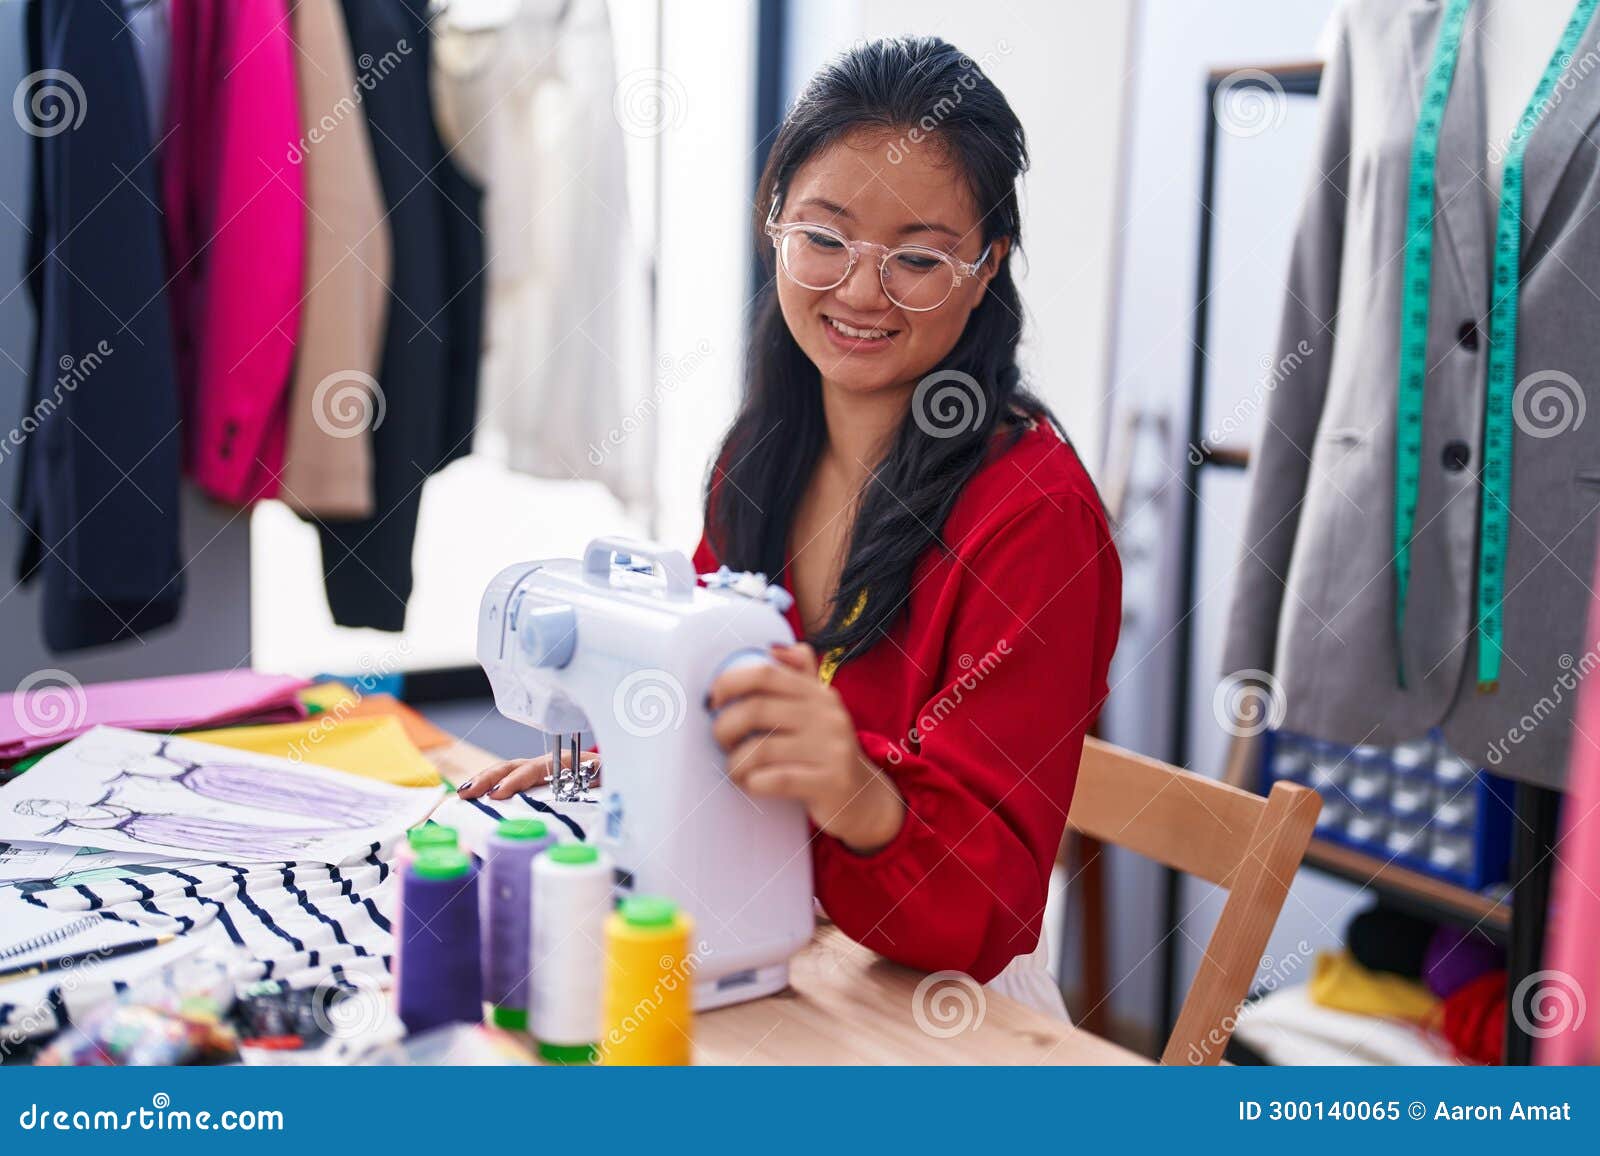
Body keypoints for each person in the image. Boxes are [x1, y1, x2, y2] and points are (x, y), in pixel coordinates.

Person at [459, 36, 1121, 1016]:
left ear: (986, 269)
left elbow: (983, 913)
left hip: (932, 1004)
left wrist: (852, 790)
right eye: (824, 237)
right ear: (774, 228)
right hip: (763, 944)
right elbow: (693, 701)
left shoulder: (1036, 519)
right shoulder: (758, 458)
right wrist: (614, 753)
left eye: (918, 257)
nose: (859, 290)